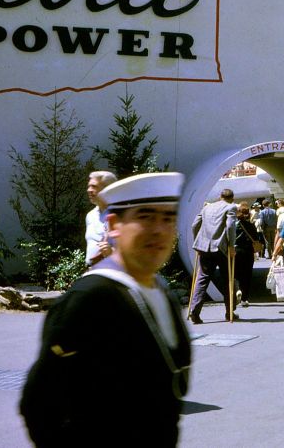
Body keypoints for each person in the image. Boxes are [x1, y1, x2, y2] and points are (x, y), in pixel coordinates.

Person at [20, 172, 191, 447]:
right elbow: (38, 405)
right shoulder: (89, 297)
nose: (159, 229)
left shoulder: (162, 292)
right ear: (113, 225)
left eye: (168, 218)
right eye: (145, 217)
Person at [189, 189, 238, 323]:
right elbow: (230, 226)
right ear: (232, 198)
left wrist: (197, 243)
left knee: (202, 278)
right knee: (228, 279)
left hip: (204, 247)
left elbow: (195, 225)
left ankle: (194, 310)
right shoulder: (231, 207)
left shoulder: (207, 207)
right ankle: (230, 312)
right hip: (221, 248)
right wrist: (231, 246)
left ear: (219, 197)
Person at [84, 171, 117, 267]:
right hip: (93, 271)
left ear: (107, 189)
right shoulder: (90, 216)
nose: (89, 190)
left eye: (94, 186)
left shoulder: (120, 215)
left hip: (113, 272)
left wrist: (112, 252)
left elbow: (132, 251)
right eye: (89, 186)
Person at [234, 204, 260, 307]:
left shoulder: (234, 225)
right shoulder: (251, 225)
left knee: (235, 273)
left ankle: (237, 290)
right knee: (247, 274)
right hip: (248, 251)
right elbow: (256, 239)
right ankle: (244, 298)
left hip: (236, 250)